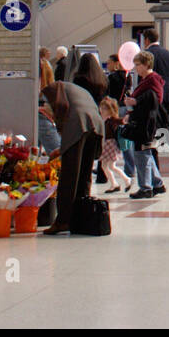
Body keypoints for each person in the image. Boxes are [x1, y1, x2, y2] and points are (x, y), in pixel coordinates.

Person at [41, 80, 104, 235]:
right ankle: (81, 214)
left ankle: (63, 221)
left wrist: (62, 146)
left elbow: (60, 110)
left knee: (69, 174)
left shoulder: (51, 90)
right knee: (84, 172)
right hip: (96, 124)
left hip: (79, 123)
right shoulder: (73, 88)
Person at [142, 29, 169, 167]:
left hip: (154, 95)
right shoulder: (168, 54)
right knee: (161, 123)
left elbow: (145, 77)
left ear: (147, 40)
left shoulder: (147, 55)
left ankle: (157, 161)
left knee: (152, 126)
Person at [124, 51, 163, 199]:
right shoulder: (149, 80)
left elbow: (153, 100)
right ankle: (157, 183)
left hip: (145, 123)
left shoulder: (151, 80)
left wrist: (136, 101)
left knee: (142, 154)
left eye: (138, 65)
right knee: (145, 153)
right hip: (146, 122)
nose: (136, 68)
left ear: (146, 64)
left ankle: (146, 187)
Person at [98, 97, 131, 192]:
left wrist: (125, 119)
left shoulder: (111, 119)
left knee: (111, 166)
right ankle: (114, 183)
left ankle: (126, 179)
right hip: (106, 144)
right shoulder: (103, 119)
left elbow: (120, 121)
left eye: (104, 108)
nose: (102, 110)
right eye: (102, 108)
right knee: (105, 166)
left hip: (110, 144)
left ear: (110, 110)